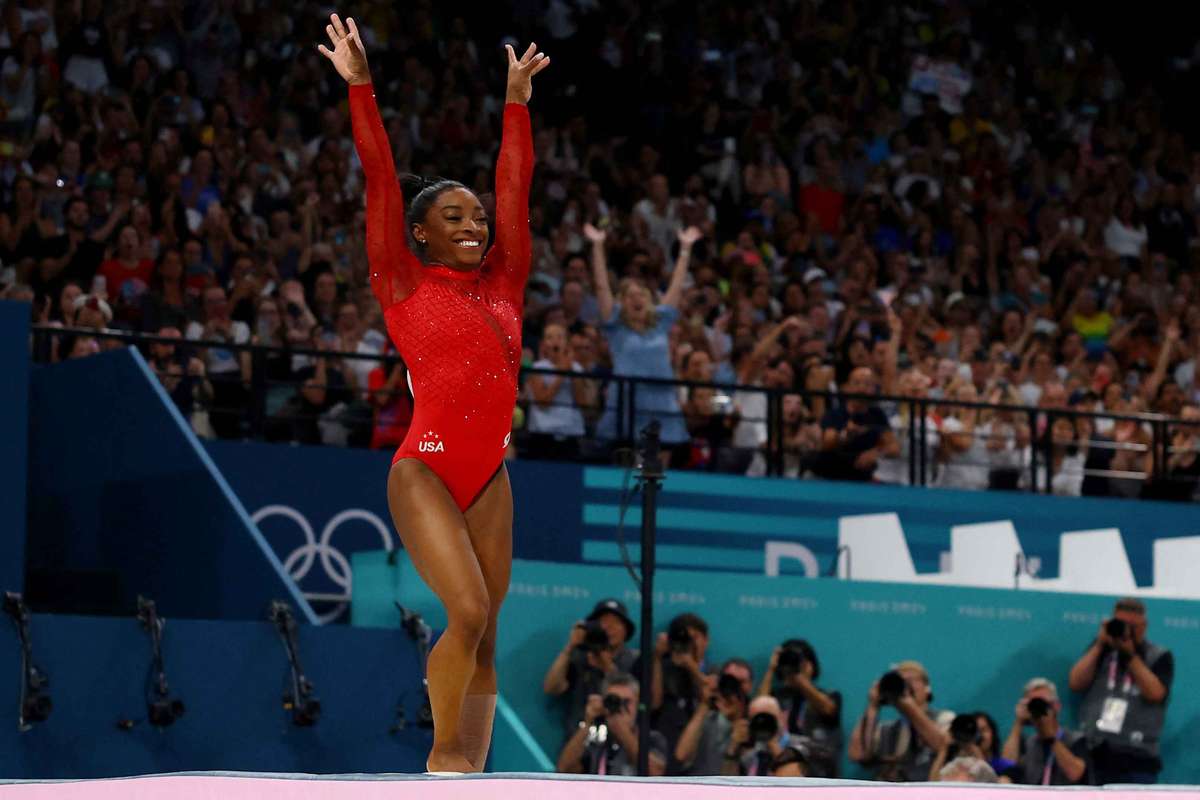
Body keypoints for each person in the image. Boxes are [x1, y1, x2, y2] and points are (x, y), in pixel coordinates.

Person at [321, 13, 548, 773]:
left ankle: (472, 773)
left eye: (477, 217)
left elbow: (515, 184)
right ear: (420, 233)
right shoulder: (401, 280)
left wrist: (516, 103)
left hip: (489, 474)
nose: (475, 225)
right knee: (468, 611)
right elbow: (380, 179)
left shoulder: (504, 281)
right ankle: (444, 763)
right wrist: (361, 86)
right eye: (455, 217)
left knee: (488, 632)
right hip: (425, 468)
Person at [587, 222, 702, 462]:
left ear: (649, 300)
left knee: (657, 469)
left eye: (641, 295)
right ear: (622, 303)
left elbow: (676, 286)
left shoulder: (660, 322)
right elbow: (601, 287)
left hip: (662, 403)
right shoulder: (616, 326)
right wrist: (597, 246)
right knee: (627, 468)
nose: (636, 299)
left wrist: (685, 248)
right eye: (629, 296)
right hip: (627, 402)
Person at [1067, 597, 1173, 785]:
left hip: (1137, 756)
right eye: (1122, 624)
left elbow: (1155, 693)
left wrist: (1129, 655)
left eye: (1133, 626)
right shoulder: (1101, 650)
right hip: (1095, 752)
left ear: (1144, 626)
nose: (1127, 631)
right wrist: (1100, 644)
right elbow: (1076, 682)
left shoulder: (1158, 656)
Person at [542, 599, 640, 740]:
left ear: (626, 630)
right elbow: (552, 687)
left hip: (622, 740)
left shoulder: (636, 660)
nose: (609, 628)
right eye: (604, 622)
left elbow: (645, 702)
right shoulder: (579, 657)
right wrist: (570, 646)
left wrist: (608, 668)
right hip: (580, 740)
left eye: (616, 622)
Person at [848, 660, 952, 782]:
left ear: (927, 687)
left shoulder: (944, 718)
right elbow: (857, 754)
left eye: (912, 679)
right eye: (902, 681)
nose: (907, 685)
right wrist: (873, 705)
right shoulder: (887, 729)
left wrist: (909, 705)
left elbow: (942, 746)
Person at [756, 639, 842, 777]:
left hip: (815, 772)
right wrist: (772, 669)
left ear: (811, 665)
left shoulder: (829, 696)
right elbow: (758, 708)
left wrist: (799, 678)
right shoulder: (775, 697)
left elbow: (828, 709)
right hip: (776, 769)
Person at [556, 672, 667, 776]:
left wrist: (623, 731)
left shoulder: (651, 738)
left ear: (637, 704)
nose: (620, 708)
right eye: (614, 701)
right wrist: (588, 723)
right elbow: (564, 769)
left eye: (626, 702)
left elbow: (656, 772)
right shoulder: (595, 739)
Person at [813, 366, 898, 481]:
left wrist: (876, 453)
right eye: (857, 383)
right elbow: (828, 443)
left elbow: (894, 447)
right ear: (847, 387)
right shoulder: (835, 413)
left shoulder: (877, 414)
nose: (861, 388)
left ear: (874, 389)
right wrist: (845, 436)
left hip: (864, 478)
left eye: (867, 384)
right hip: (833, 476)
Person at [1000, 677, 1089, 786]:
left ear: (1057, 706)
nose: (1039, 708)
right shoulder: (1029, 743)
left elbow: (1075, 774)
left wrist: (1050, 737)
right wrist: (1018, 723)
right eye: (1034, 704)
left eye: (1043, 703)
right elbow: (1007, 765)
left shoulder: (1076, 739)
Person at [674, 659, 752, 776]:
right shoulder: (706, 719)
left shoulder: (758, 720)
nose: (734, 687)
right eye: (729, 680)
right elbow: (681, 756)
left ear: (750, 685)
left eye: (741, 682)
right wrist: (705, 703)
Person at [524, 322, 590, 460]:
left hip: (570, 435)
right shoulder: (537, 368)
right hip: (542, 436)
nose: (555, 341)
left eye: (560, 337)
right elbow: (543, 402)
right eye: (550, 337)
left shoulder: (576, 369)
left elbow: (582, 402)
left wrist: (570, 370)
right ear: (543, 344)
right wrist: (561, 373)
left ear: (566, 343)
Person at [723, 695, 793, 776]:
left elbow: (794, 779)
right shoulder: (749, 758)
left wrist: (775, 748)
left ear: (781, 717)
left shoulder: (800, 747)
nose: (763, 724)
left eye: (768, 719)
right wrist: (733, 748)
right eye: (757, 720)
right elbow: (727, 781)